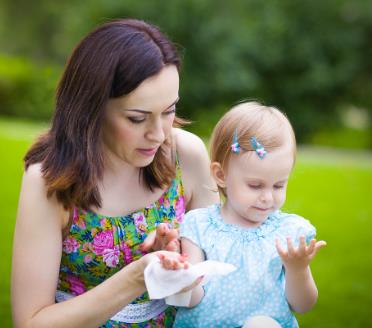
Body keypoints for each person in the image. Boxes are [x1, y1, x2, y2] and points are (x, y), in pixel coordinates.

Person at [11, 18, 219, 328]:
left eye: (169, 111)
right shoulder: (48, 180)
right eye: (137, 118)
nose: (159, 135)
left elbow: (215, 281)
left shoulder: (186, 156)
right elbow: (30, 323)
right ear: (91, 109)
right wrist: (138, 277)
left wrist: (178, 268)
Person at [159, 101, 327, 327]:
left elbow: (303, 305)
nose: (268, 197)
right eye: (256, 185)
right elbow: (190, 300)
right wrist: (181, 277)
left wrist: (298, 270)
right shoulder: (199, 226)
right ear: (220, 175)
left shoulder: (288, 233)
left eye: (278, 185)